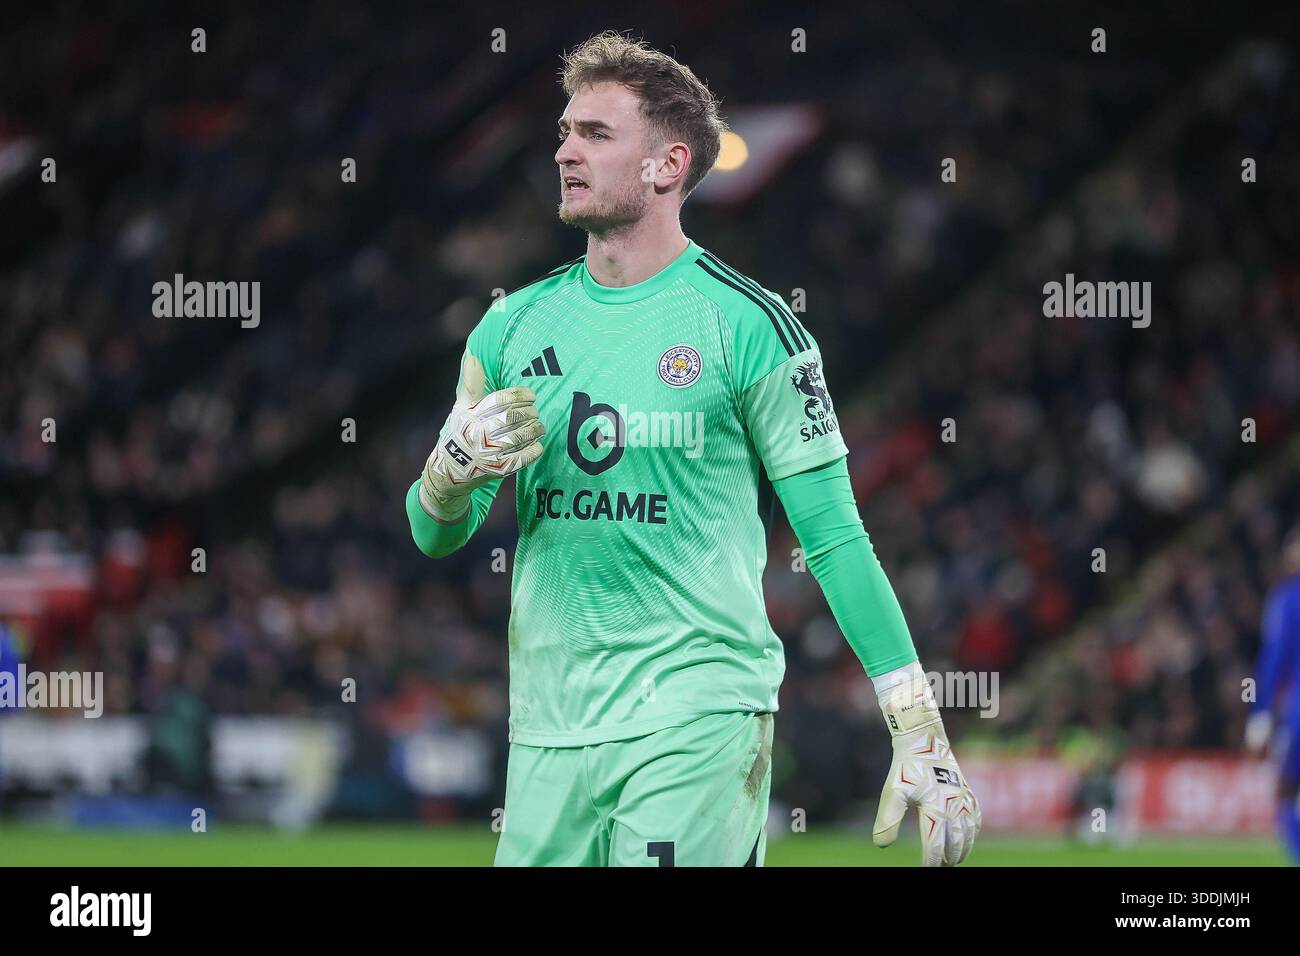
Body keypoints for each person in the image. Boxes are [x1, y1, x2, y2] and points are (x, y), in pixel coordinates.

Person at [407, 31, 979, 866]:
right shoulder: (509, 326)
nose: (565, 151)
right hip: (548, 727)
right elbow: (435, 535)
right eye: (565, 131)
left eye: (597, 135)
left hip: (698, 714)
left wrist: (915, 718)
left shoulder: (751, 329)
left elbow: (834, 535)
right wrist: (446, 479)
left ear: (667, 164)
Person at [1245, 526, 1300, 864]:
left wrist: (1260, 716)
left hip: (1298, 710)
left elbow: (1273, 659)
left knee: (1285, 789)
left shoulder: (1287, 598)